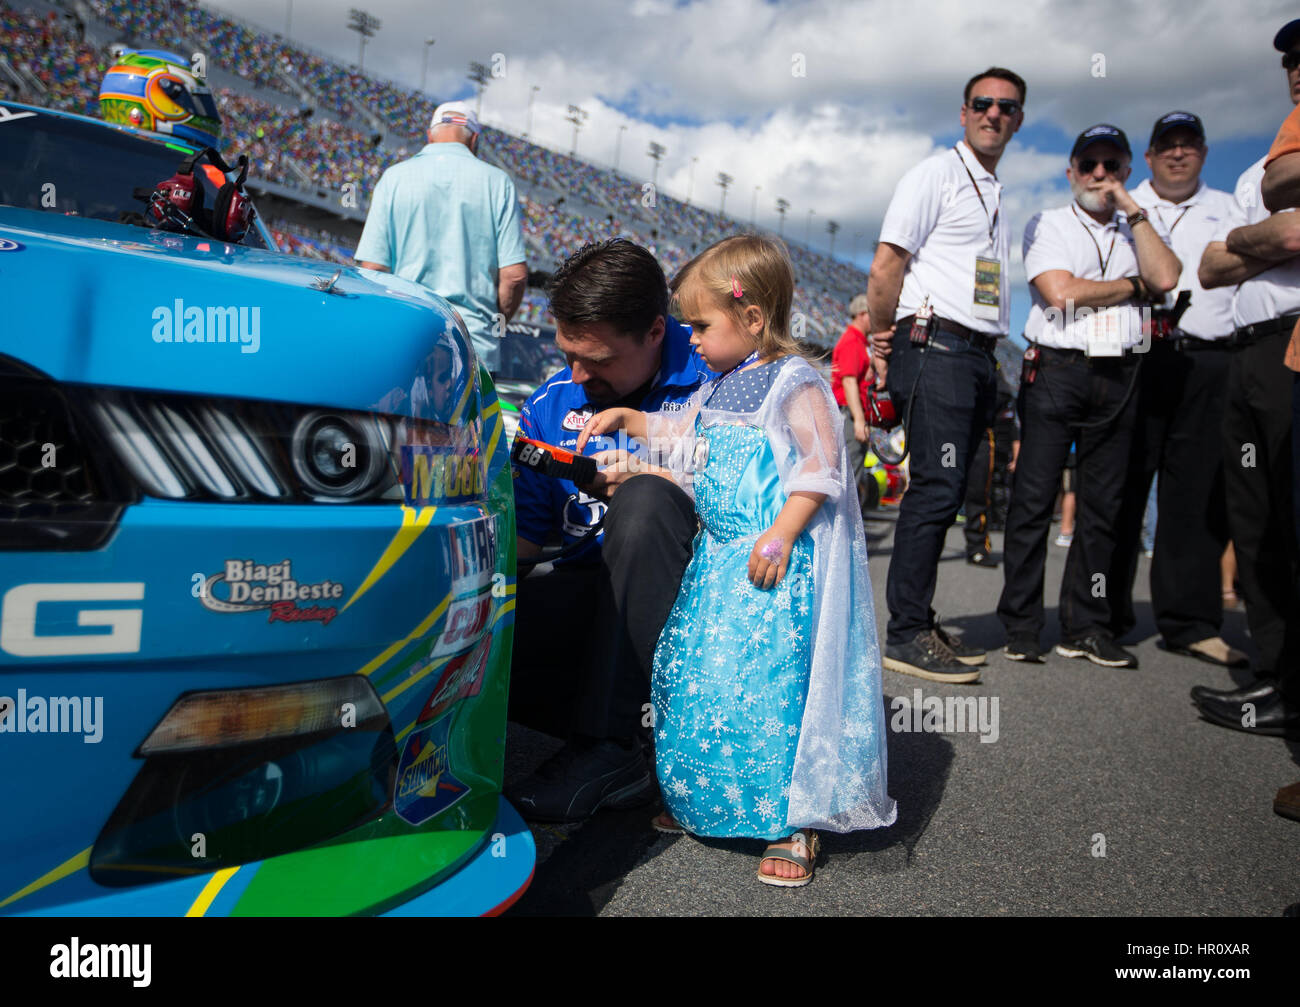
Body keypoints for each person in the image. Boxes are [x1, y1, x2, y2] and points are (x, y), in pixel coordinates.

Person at [579, 234, 895, 887]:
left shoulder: (794, 379)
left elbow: (821, 467)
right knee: (711, 681)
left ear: (753, 319)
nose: (689, 338)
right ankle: (713, 796)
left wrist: (781, 531)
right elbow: (691, 444)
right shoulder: (725, 384)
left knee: (773, 687)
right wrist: (633, 430)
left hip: (768, 569)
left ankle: (790, 815)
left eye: (700, 324)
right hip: (719, 568)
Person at [506, 238, 715, 822]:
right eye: (568, 352)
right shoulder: (551, 403)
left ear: (655, 331)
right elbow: (520, 550)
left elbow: (781, 492)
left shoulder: (721, 375)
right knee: (481, 633)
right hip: (593, 608)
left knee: (647, 501)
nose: (577, 374)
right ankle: (645, 738)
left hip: (703, 626)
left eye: (596, 360)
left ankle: (609, 747)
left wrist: (663, 478)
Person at [997, 124, 1181, 667]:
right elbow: (1061, 293)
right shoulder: (1048, 222)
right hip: (1057, 369)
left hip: (1121, 374)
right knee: (1033, 501)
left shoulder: (1139, 224)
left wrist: (1132, 208)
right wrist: (1132, 288)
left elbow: (1166, 276)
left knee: (1104, 509)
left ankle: (1087, 625)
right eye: (1090, 164)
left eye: (1112, 165)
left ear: (1126, 171)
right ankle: (1023, 623)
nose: (1099, 174)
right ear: (1072, 170)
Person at [869, 67, 1027, 683]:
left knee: (949, 487)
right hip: (935, 343)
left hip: (974, 352)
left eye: (1007, 106)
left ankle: (918, 620)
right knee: (937, 488)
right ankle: (905, 633)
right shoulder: (936, 173)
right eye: (983, 103)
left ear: (1017, 118)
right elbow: (887, 264)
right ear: (963, 112)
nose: (994, 113)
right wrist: (883, 338)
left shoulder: (993, 192)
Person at [1107, 112, 1247, 669]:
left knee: (1196, 496)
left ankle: (1190, 620)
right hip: (1136, 356)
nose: (1178, 154)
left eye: (1189, 145)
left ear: (1204, 154)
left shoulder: (1229, 208)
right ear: (1149, 156)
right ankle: (1106, 613)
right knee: (1121, 487)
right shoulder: (1122, 199)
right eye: (1167, 145)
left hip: (1207, 357)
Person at [1192, 20, 1300, 738]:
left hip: (1294, 342)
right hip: (1247, 350)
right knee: (1255, 522)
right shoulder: (1251, 174)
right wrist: (1249, 240)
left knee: (1292, 521)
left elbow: (1288, 236)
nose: (1296, 68)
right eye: (1291, 59)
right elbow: (1209, 266)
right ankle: (1279, 677)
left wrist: (1248, 241)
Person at [355, 101, 528, 372]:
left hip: (406, 337)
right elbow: (515, 276)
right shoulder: (498, 182)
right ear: (474, 139)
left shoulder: (393, 178)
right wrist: (494, 321)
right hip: (473, 344)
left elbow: (374, 268)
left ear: (430, 135)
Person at [963, 370, 1018, 567]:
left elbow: (1011, 426)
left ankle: (977, 546)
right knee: (943, 490)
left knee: (979, 493)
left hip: (981, 436)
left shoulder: (992, 371)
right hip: (953, 432)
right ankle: (929, 546)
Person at [831, 293, 874, 512]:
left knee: (852, 475)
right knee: (849, 476)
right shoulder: (852, 341)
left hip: (852, 413)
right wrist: (858, 420)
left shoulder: (861, 341)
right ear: (863, 314)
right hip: (849, 414)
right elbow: (848, 382)